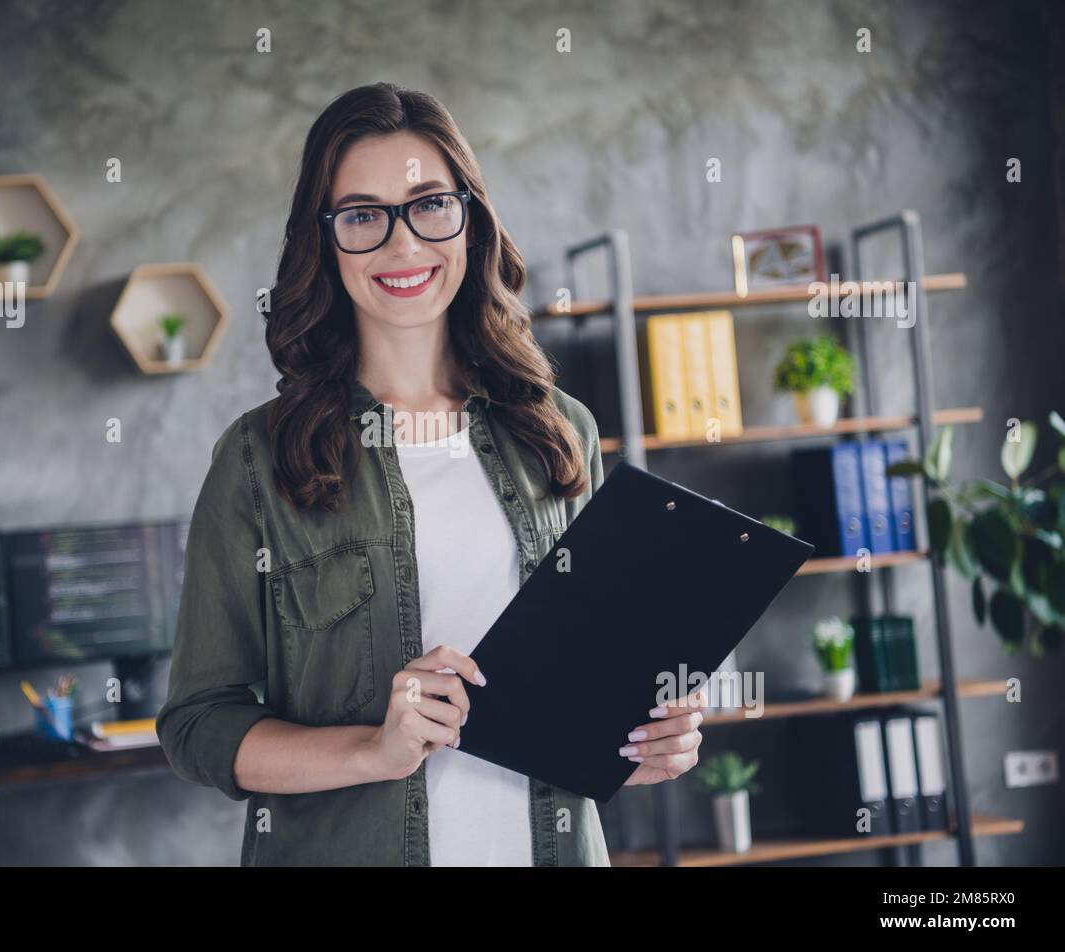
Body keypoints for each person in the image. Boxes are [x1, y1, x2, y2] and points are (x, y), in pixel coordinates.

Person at [157, 82, 703, 866]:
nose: (404, 245)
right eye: (363, 215)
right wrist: (372, 751)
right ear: (326, 239)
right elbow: (197, 725)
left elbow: (595, 675)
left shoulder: (559, 430)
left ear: (470, 220)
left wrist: (649, 738)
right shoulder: (258, 460)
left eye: (429, 204)